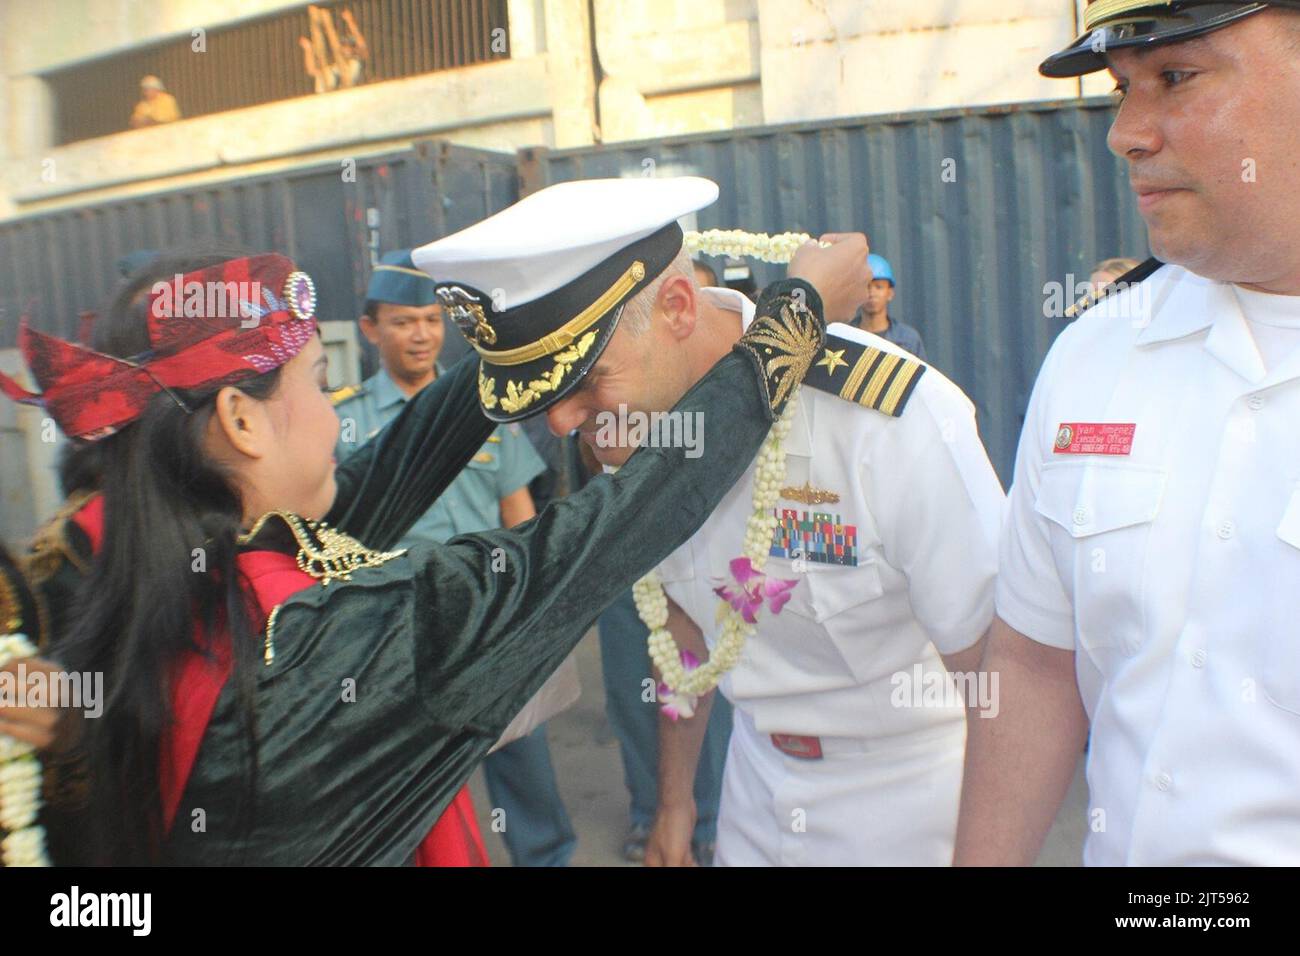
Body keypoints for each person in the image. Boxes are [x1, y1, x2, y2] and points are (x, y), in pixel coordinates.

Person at [0, 188, 858, 863]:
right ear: (243, 419)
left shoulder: (174, 576)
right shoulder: (330, 641)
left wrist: (541, 306)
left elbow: (415, 450)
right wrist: (801, 309)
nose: (337, 417)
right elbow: (610, 533)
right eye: (313, 380)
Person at [421, 176, 1005, 866]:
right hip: (754, 790)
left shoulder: (887, 418)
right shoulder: (630, 427)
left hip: (912, 798)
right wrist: (676, 802)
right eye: (547, 393)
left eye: (584, 382)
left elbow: (998, 676)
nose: (561, 421)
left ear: (674, 307)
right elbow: (685, 632)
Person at [956, 0, 1300, 867]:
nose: (1125, 134)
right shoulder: (1096, 352)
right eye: (1121, 88)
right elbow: (1035, 661)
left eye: (1176, 79)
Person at [333, 250, 576, 867]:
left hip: (487, 623)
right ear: (370, 329)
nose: (421, 334)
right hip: (396, 635)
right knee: (411, 792)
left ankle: (544, 858)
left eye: (432, 321)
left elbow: (520, 518)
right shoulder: (345, 423)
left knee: (525, 768)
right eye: (403, 322)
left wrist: (535, 605)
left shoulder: (485, 410)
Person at [850, 253, 927, 360]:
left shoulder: (908, 340)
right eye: (866, 286)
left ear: (890, 293)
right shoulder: (846, 336)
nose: (872, 293)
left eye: (879, 287)